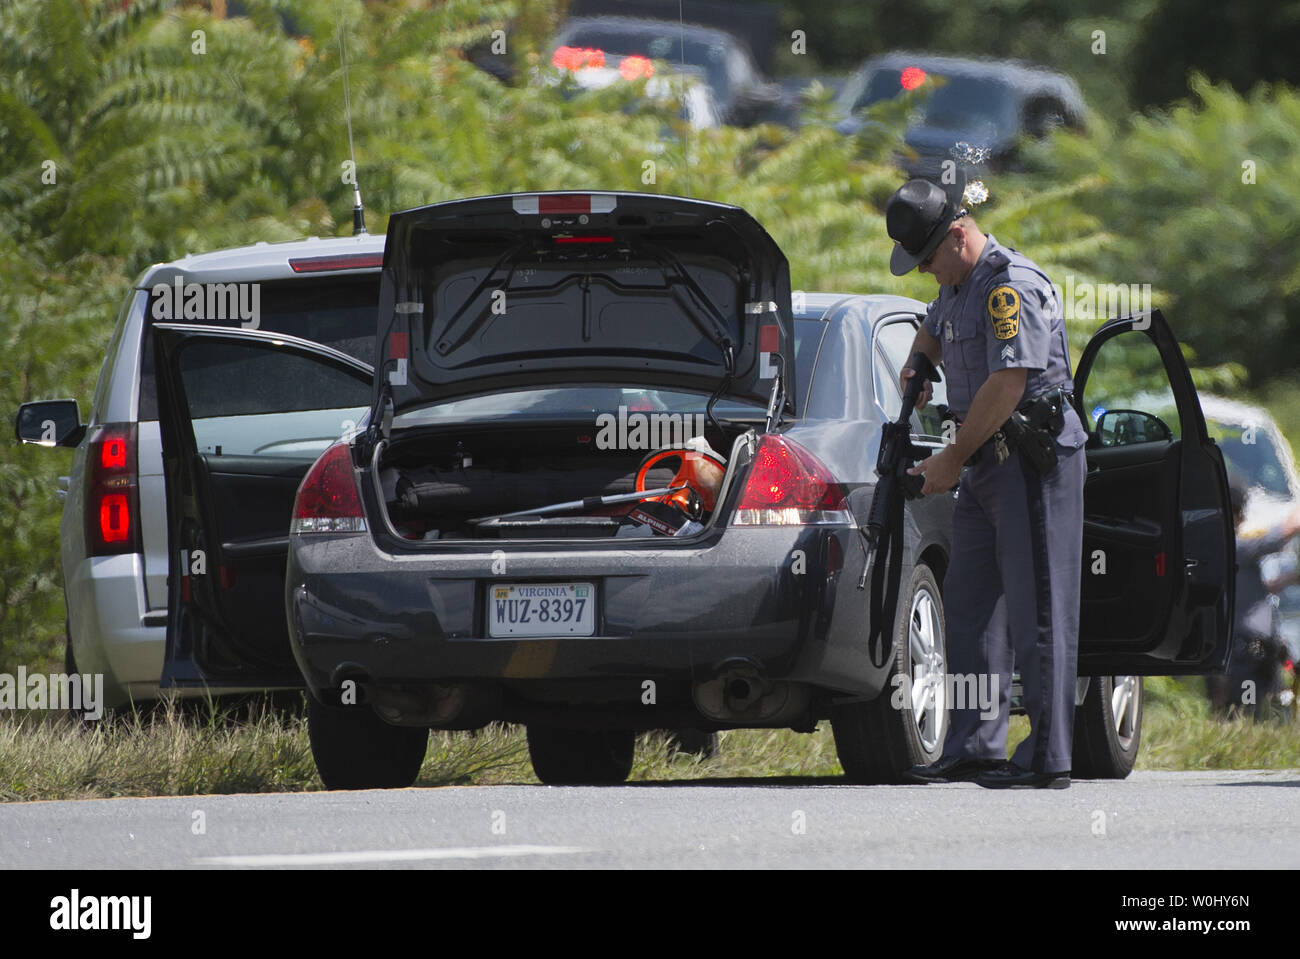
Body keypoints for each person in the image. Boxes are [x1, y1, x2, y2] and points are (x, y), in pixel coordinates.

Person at [885, 173, 1089, 788]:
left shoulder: (1010, 287)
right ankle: (975, 745)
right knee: (972, 609)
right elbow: (935, 322)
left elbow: (1008, 385)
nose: (924, 272)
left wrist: (950, 458)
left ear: (957, 234)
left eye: (926, 259)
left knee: (1040, 612)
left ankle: (1050, 756)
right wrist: (920, 362)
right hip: (983, 467)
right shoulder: (957, 284)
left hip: (1033, 464)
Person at [1205, 475, 1300, 720]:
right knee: (1253, 721)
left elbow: (1248, 590)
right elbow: (1279, 537)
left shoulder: (1215, 550)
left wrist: (1288, 579)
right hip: (1245, 659)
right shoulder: (1233, 545)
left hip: (1252, 656)